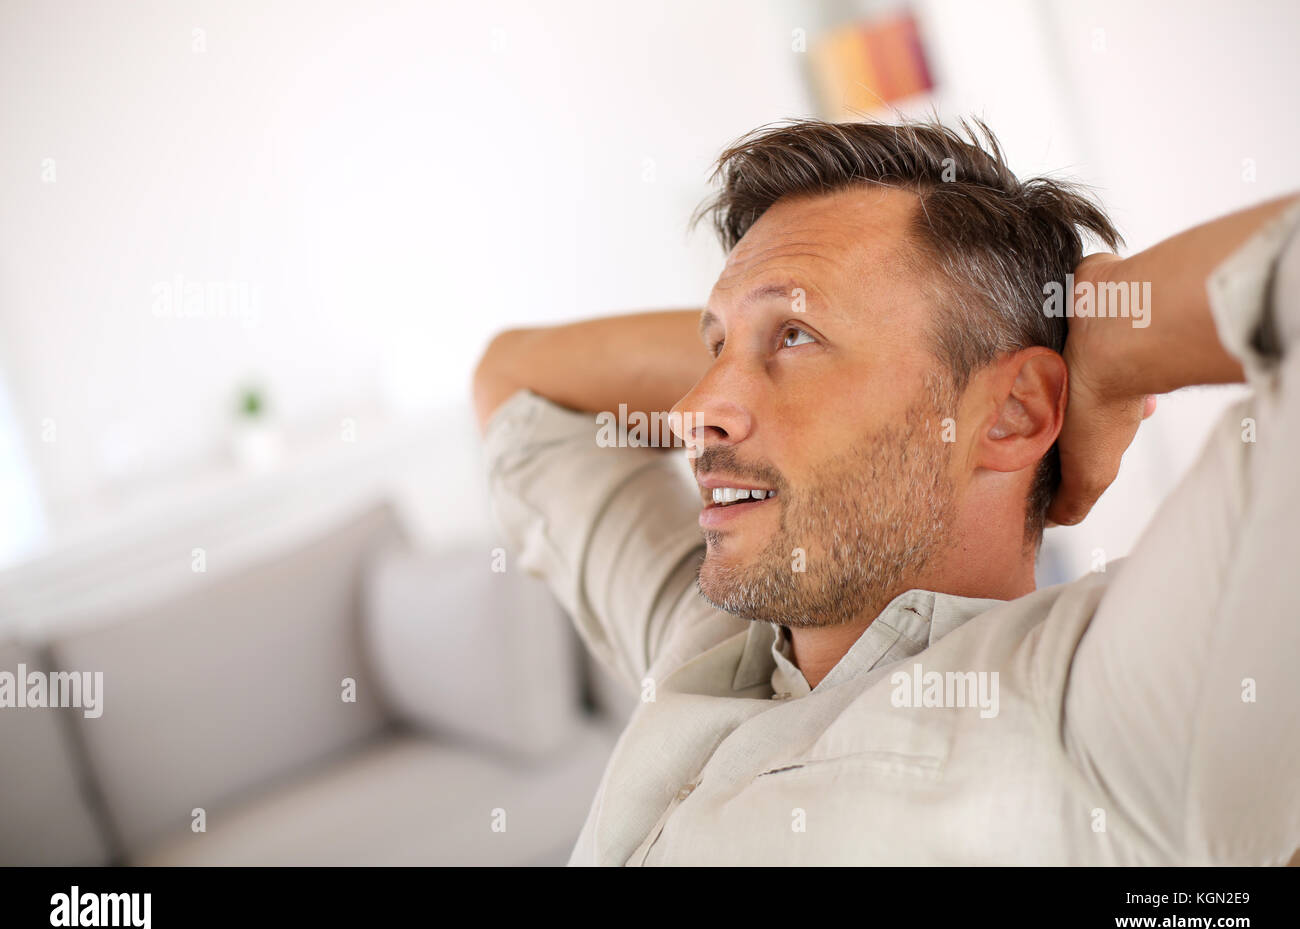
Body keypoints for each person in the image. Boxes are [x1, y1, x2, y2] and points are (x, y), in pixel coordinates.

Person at [472, 117, 1300, 866]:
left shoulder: (1102, 717)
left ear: (1014, 412)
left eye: (796, 335)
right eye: (713, 347)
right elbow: (515, 384)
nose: (690, 413)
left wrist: (1108, 340)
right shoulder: (705, 632)